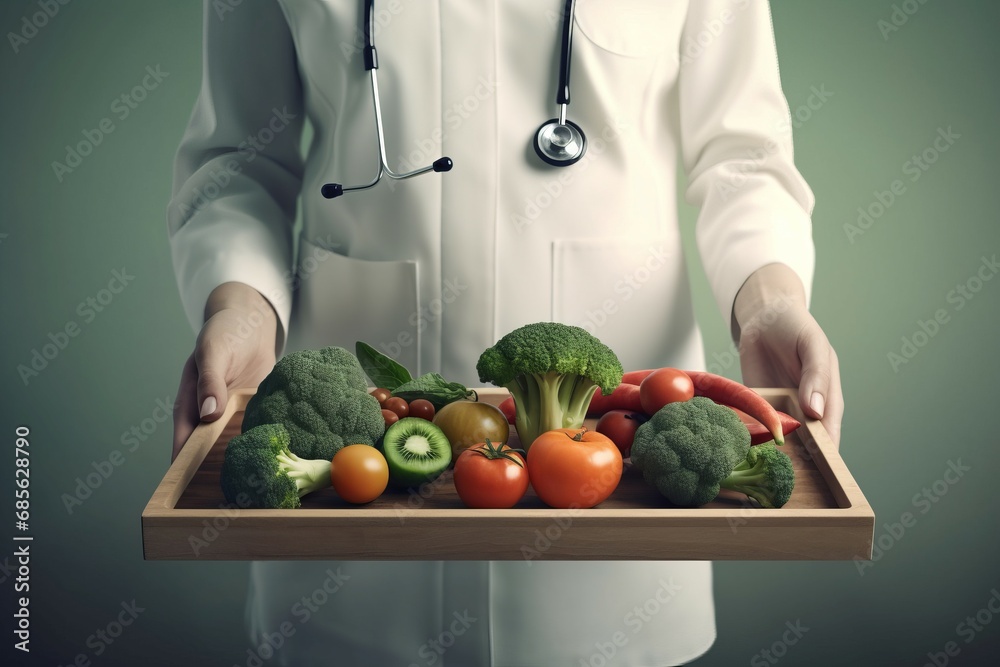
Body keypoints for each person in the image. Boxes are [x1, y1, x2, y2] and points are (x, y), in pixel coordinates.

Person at [168, 1, 843, 665]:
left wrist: (770, 303)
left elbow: (742, 157)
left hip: (621, 490)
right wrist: (242, 305)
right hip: (353, 512)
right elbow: (241, 160)